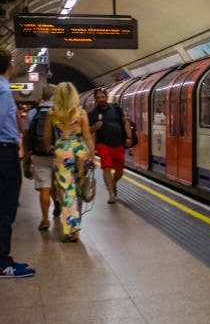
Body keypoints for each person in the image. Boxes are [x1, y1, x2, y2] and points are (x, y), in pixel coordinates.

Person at [0, 52, 35, 277]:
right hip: (4, 154)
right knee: (6, 209)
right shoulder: (3, 89)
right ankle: (4, 263)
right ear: (10, 65)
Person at [45, 82, 93, 243]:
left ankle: (70, 229)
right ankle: (75, 229)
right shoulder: (81, 112)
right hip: (80, 151)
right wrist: (91, 154)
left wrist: (50, 147)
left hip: (62, 152)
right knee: (78, 190)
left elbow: (46, 138)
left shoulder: (51, 113)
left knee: (67, 191)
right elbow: (87, 136)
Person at [23, 83, 60, 231]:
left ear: (43, 97)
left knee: (45, 187)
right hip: (59, 154)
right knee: (58, 183)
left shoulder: (33, 112)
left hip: (39, 154)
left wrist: (27, 154)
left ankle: (45, 218)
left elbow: (26, 135)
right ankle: (58, 201)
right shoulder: (60, 111)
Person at [88, 87, 132, 203]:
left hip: (118, 143)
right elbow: (88, 131)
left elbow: (125, 122)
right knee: (106, 167)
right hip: (103, 144)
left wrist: (129, 137)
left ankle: (113, 183)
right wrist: (94, 127)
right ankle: (111, 194)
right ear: (95, 100)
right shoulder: (93, 113)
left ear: (106, 97)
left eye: (103, 97)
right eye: (98, 98)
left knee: (120, 171)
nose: (101, 99)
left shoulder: (116, 108)